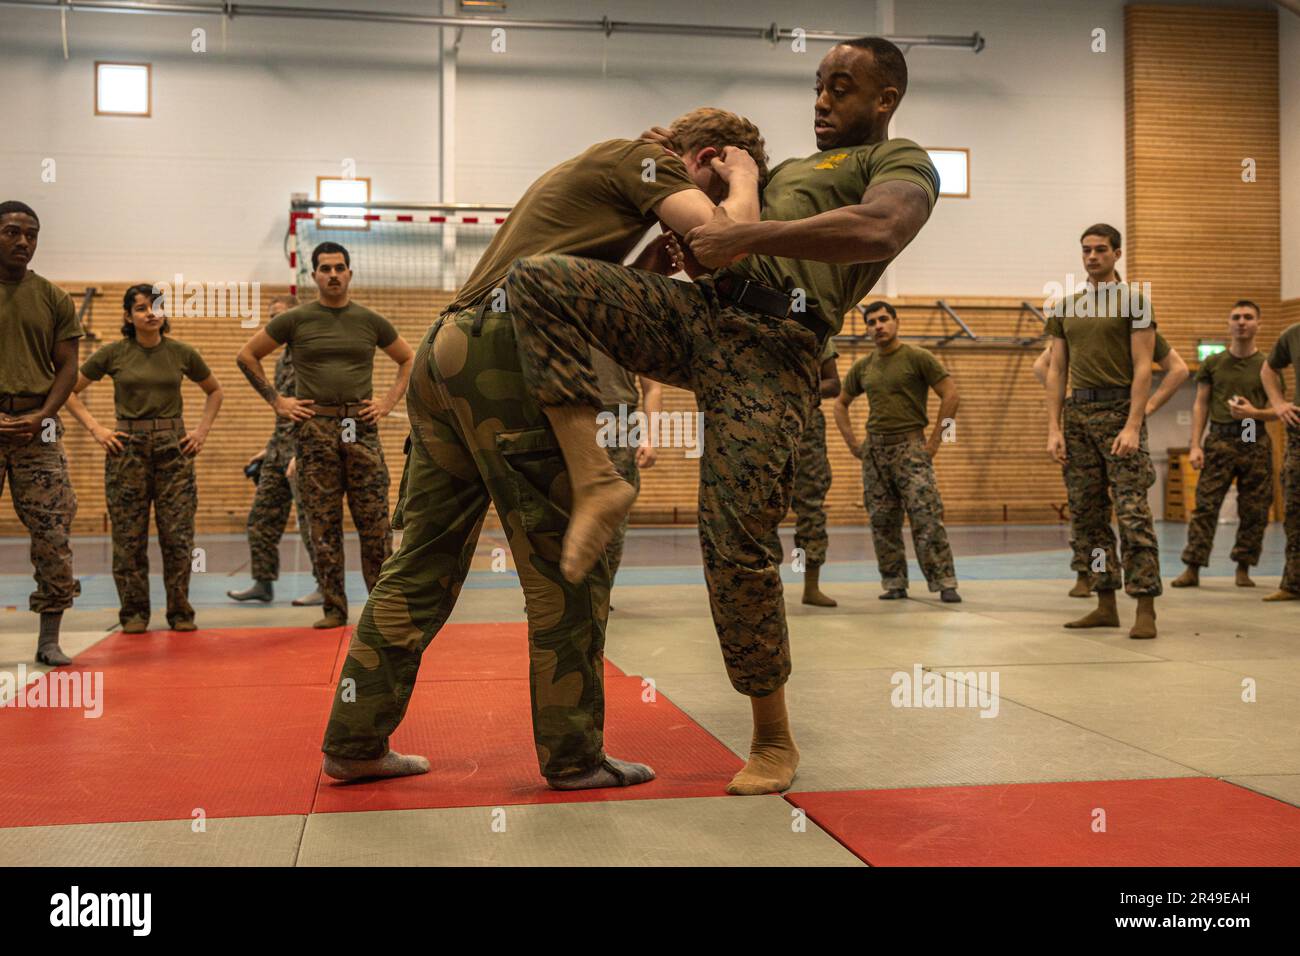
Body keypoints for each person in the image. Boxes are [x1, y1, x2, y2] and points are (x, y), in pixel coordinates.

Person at [508, 37, 939, 795]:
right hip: (700, 314)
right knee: (541, 282)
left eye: (842, 88)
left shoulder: (895, 160)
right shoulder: (777, 173)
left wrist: (752, 233)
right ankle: (595, 480)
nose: (822, 101)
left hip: (777, 346)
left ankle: (773, 738)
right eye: (817, 86)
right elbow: (690, 243)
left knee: (734, 537)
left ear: (885, 101)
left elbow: (881, 230)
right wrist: (680, 172)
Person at [319, 108, 769, 789]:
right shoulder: (642, 158)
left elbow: (631, 273)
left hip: (452, 351)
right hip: (512, 353)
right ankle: (573, 756)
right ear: (704, 154)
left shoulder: (596, 173)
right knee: (570, 567)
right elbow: (726, 236)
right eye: (711, 175)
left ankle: (353, 742)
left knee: (421, 561)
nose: (702, 191)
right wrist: (744, 179)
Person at [235, 243, 414, 628]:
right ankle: (334, 608)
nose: (332, 274)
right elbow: (247, 356)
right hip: (316, 429)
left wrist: (385, 402)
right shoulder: (296, 320)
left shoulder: (370, 320)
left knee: (374, 524)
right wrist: (277, 401)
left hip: (360, 428)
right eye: (325, 269)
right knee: (322, 522)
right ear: (313, 275)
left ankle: (380, 608)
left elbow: (408, 359)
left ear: (350, 273)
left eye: (339, 268)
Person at [64, 285, 223, 632]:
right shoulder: (113, 354)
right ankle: (134, 613)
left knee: (178, 536)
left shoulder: (182, 352)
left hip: (173, 450)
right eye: (141, 308)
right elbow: (69, 392)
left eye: (157, 307)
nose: (150, 313)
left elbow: (214, 391)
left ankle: (180, 611)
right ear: (128, 316)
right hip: (127, 450)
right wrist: (97, 430)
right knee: (128, 537)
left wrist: (200, 432)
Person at [1044, 223, 1161, 639]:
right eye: (1086, 251)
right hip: (1078, 416)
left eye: (1100, 250)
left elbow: (1145, 367)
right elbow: (1057, 370)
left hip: (1118, 415)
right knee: (1088, 519)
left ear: (1117, 254)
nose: (1092, 257)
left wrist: (1134, 424)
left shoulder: (1135, 302)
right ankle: (1105, 601)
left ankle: (1144, 604)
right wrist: (1054, 427)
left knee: (1132, 514)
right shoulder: (1064, 307)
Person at [1034, 332, 1188, 597]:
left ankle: (1143, 593)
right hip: (1081, 421)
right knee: (1087, 512)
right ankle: (1094, 579)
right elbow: (1043, 366)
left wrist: (1145, 408)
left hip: (1121, 421)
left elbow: (1178, 369)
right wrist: (1072, 399)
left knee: (1131, 513)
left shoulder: (1132, 324)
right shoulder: (1076, 321)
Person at [833, 301, 960, 602]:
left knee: (925, 516)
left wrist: (934, 443)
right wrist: (853, 444)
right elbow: (840, 403)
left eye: (883, 319)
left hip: (912, 449)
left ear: (896, 322)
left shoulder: (918, 358)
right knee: (882, 519)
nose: (878, 326)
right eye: (871, 322)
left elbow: (951, 395)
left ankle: (944, 581)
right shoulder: (864, 366)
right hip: (875, 451)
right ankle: (894, 582)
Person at [0, 200, 81, 666]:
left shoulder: (53, 297)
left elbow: (67, 366)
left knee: (52, 534)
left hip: (38, 430)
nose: (23, 242)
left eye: (31, 234)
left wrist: (43, 416)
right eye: (12, 232)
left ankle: (49, 636)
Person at [1172, 301, 1276, 589]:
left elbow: (1279, 410)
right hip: (1219, 439)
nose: (1242, 322)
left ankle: (1243, 567)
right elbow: (1200, 404)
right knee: (1206, 505)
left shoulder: (1268, 365)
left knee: (1254, 508)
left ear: (1258, 324)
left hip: (1252, 436)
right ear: (1229, 323)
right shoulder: (1213, 363)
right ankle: (1192, 567)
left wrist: (1254, 413)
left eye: (1248, 317)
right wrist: (1195, 445)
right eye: (1236, 317)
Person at [227, 293, 321, 606]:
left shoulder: (313, 357)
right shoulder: (282, 360)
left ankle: (326, 585)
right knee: (260, 520)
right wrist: (268, 449)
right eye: (271, 318)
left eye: (279, 316)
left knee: (312, 523)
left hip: (305, 453)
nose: (274, 323)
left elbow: (318, 411)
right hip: (278, 451)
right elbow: (285, 412)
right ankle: (262, 582)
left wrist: (302, 453)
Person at [763, 336, 842, 606]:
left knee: (810, 507)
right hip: (762, 424)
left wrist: (800, 388)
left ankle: (810, 586)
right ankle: (767, 586)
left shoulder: (816, 331)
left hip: (806, 425)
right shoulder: (755, 325)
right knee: (763, 508)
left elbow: (834, 383)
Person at [590, 348, 663, 595]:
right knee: (561, 510)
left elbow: (653, 388)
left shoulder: (629, 323)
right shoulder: (567, 315)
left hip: (621, 422)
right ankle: (560, 595)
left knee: (614, 517)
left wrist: (652, 438)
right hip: (574, 416)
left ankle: (599, 595)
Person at [1260, 313, 1300, 601]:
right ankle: (1293, 582)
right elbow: (1269, 370)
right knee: (1295, 507)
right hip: (1298, 432)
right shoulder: (1293, 334)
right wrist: (1278, 403)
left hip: (1249, 435)